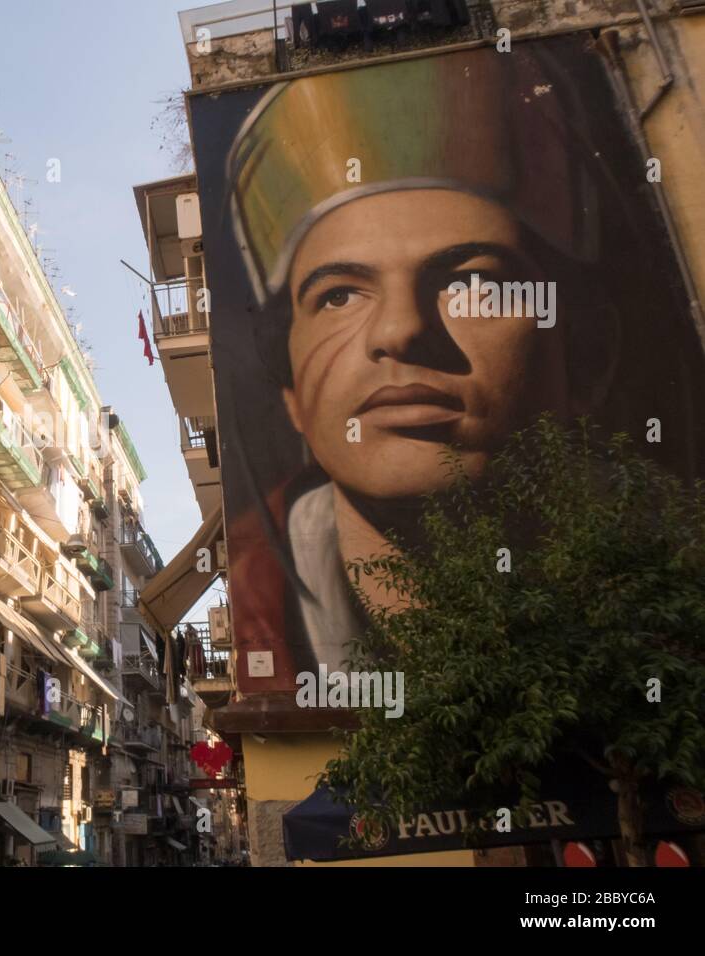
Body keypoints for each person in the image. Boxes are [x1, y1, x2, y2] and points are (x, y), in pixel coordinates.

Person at [221, 38, 702, 679]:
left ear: (589, 353)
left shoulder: (674, 573)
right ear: (290, 393)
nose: (401, 329)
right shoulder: (260, 601)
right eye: (338, 295)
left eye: (471, 283)